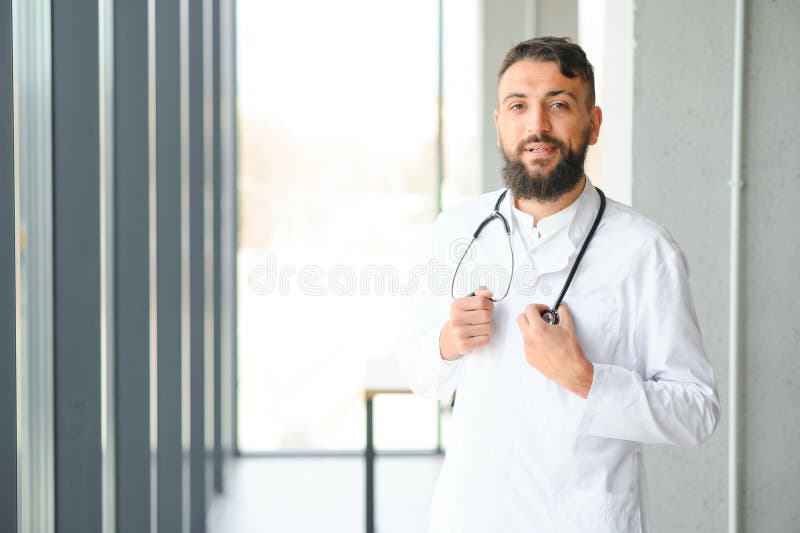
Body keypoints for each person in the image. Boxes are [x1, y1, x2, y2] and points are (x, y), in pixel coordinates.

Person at [406, 37, 720, 533]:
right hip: (471, 515)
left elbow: (697, 412)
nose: (537, 125)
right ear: (499, 124)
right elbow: (419, 374)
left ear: (592, 124)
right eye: (518, 106)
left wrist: (585, 378)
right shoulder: (458, 228)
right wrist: (446, 344)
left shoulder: (645, 250)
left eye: (559, 104)